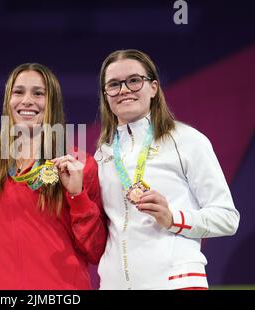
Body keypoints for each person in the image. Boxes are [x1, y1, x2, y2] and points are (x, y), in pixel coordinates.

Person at [94, 49, 240, 290]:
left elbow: (227, 218)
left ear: (153, 88)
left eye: (134, 80)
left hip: (176, 282)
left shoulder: (187, 140)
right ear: (106, 96)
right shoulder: (103, 154)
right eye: (114, 84)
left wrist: (173, 218)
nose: (124, 90)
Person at [0, 63, 108, 289]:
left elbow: (95, 251)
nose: (27, 101)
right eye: (19, 92)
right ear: (8, 100)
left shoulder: (79, 164)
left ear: (51, 102)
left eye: (38, 93)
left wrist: (77, 196)